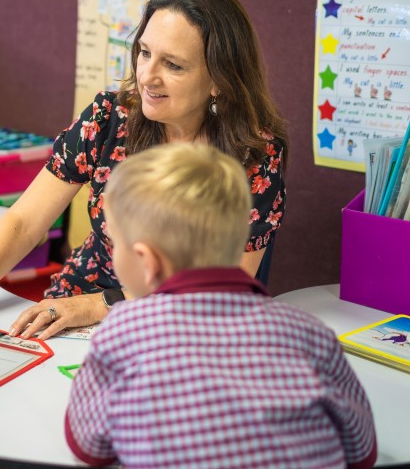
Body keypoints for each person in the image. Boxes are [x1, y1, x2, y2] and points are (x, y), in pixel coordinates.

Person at [0, 0, 287, 343]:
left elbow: (227, 286)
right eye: (145, 53)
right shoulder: (109, 117)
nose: (147, 76)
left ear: (219, 79)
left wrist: (102, 304)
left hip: (179, 320)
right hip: (80, 294)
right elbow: (25, 221)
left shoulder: (255, 155)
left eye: (174, 65)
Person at [64, 143, 376, 468]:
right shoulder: (310, 332)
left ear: (146, 261)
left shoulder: (124, 328)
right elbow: (362, 451)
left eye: (115, 244)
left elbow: (88, 446)